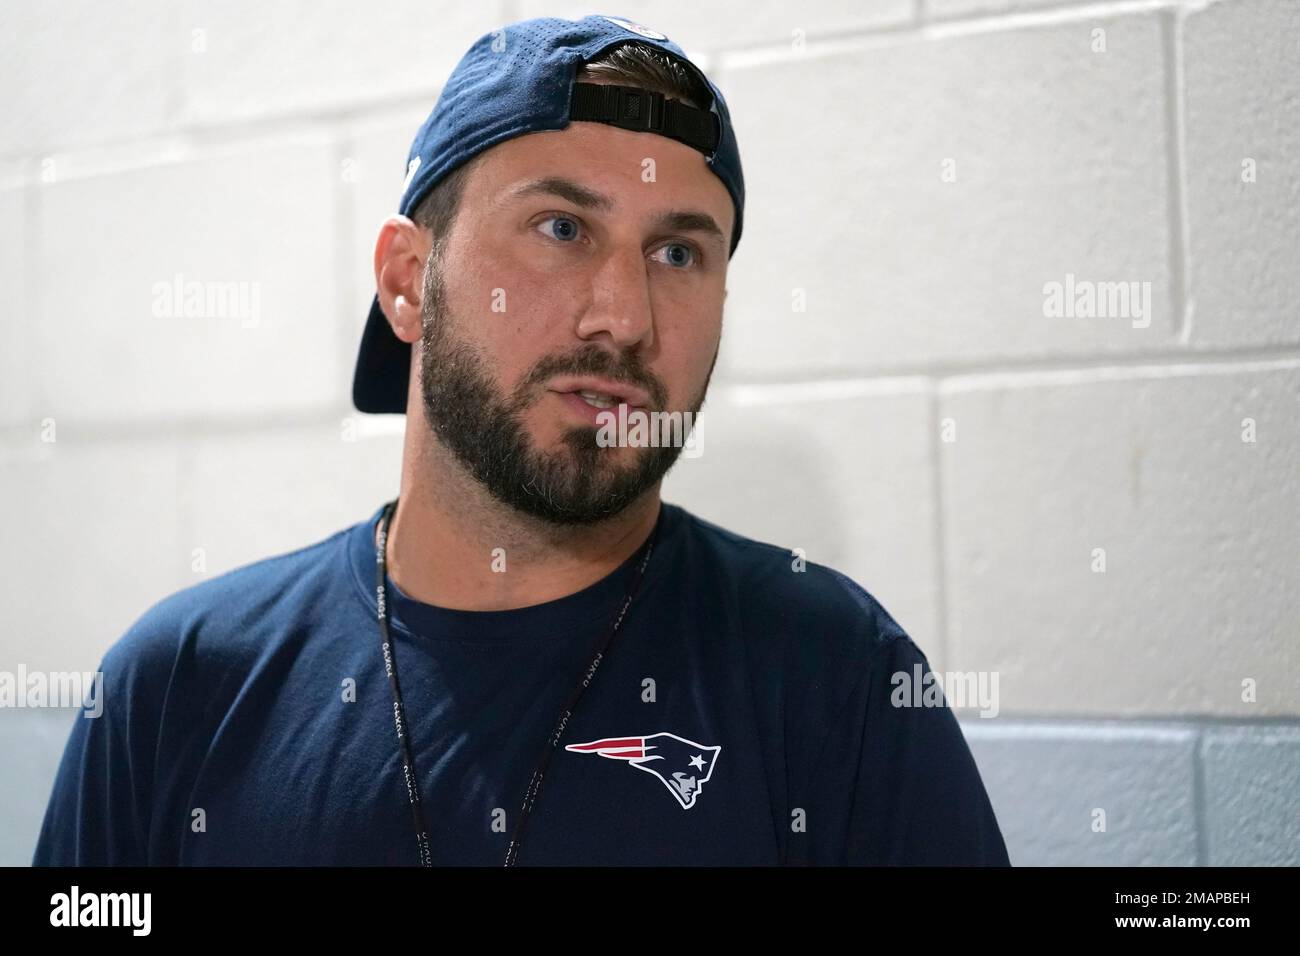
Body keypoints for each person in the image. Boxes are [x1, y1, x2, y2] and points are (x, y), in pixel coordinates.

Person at [32, 13, 1010, 867]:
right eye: (560, 228)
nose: (623, 318)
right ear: (409, 279)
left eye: (677, 252)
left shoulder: (837, 680)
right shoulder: (178, 689)